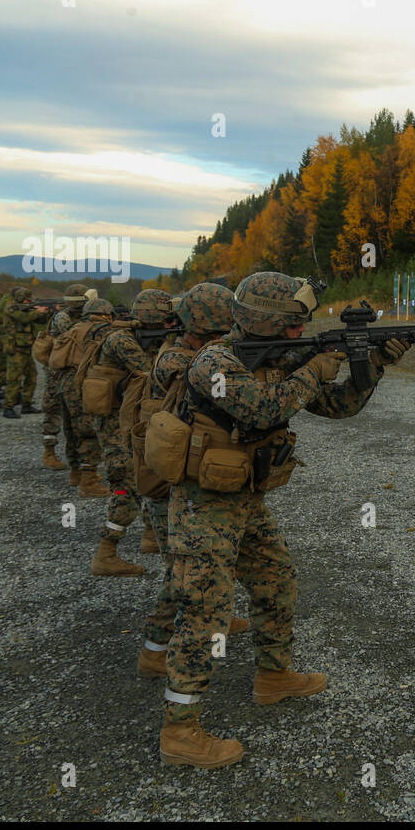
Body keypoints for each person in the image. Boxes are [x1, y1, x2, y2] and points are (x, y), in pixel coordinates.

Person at [158, 271, 409, 768]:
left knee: (277, 580)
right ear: (266, 322)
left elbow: (338, 407)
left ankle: (274, 676)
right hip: (202, 503)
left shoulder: (281, 358)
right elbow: (261, 410)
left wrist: (373, 362)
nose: (300, 333)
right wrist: (314, 368)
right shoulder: (215, 361)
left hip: (244, 498)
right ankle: (180, 731)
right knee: (206, 610)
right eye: (293, 325)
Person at [135, 283, 249, 681]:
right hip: (167, 481)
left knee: (191, 568)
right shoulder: (177, 360)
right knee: (184, 572)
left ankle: (186, 633)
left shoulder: (187, 351)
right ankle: (156, 650)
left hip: (177, 474)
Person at [86, 288, 175, 577]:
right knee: (127, 482)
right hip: (113, 422)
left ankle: (150, 536)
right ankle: (106, 552)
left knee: (151, 472)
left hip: (129, 417)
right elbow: (152, 372)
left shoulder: (134, 335)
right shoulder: (121, 340)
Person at [62, 298, 112, 496]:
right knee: (89, 432)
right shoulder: (101, 330)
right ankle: (88, 482)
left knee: (71, 430)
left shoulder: (75, 327)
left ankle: (76, 473)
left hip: (65, 383)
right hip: (83, 384)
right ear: (105, 314)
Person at [40, 285, 92, 473]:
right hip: (57, 373)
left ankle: (77, 461)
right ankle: (49, 452)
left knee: (73, 416)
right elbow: (78, 336)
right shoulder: (64, 318)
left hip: (70, 372)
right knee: (53, 410)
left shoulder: (75, 317)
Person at [2, 286, 49, 417]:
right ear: (21, 300)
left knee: (31, 377)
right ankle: (8, 407)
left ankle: (26, 404)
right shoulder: (10, 308)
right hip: (15, 348)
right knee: (14, 379)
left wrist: (47, 311)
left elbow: (40, 321)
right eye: (27, 301)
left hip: (26, 348)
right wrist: (38, 311)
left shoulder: (27, 310)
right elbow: (23, 318)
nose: (29, 303)